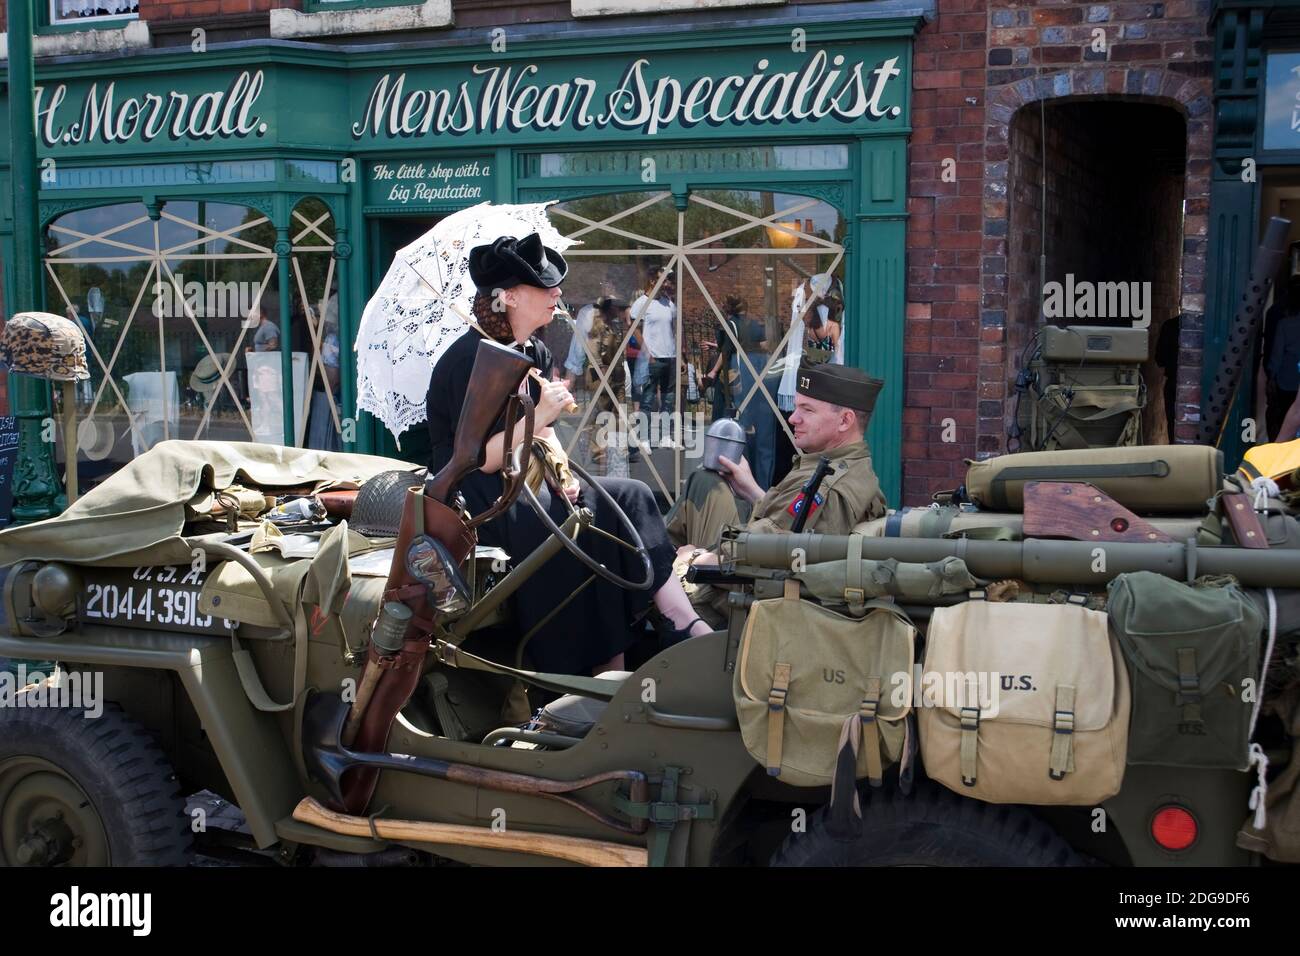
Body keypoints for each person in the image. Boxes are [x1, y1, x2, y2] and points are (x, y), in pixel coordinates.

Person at [425, 234, 711, 677]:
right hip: (481, 496)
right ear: (511, 298)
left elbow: (547, 434)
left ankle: (679, 621)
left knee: (630, 496)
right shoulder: (466, 361)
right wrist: (540, 412)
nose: (557, 293)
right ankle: (582, 673)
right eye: (545, 288)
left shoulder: (535, 351)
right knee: (566, 532)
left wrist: (563, 473)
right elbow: (477, 460)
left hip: (531, 479)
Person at [666, 361, 887, 630]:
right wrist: (752, 491)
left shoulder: (827, 486)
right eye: (797, 407)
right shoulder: (850, 467)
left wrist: (692, 560)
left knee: (644, 565)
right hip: (751, 586)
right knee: (708, 479)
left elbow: (767, 557)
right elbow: (794, 530)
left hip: (740, 605)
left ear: (844, 421)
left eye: (807, 410)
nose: (793, 418)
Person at [631, 267, 677, 419]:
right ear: (652, 281)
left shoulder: (669, 304)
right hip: (653, 358)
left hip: (669, 357)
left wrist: (680, 357)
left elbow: (673, 330)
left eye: (666, 280)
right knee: (648, 399)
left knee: (668, 399)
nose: (666, 283)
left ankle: (665, 436)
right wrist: (647, 353)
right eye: (662, 280)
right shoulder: (641, 303)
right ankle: (644, 437)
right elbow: (634, 329)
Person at [1262, 276, 1300, 441]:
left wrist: (1271, 377)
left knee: (1284, 414)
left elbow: (1276, 355)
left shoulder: (1284, 323)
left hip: (1286, 378)